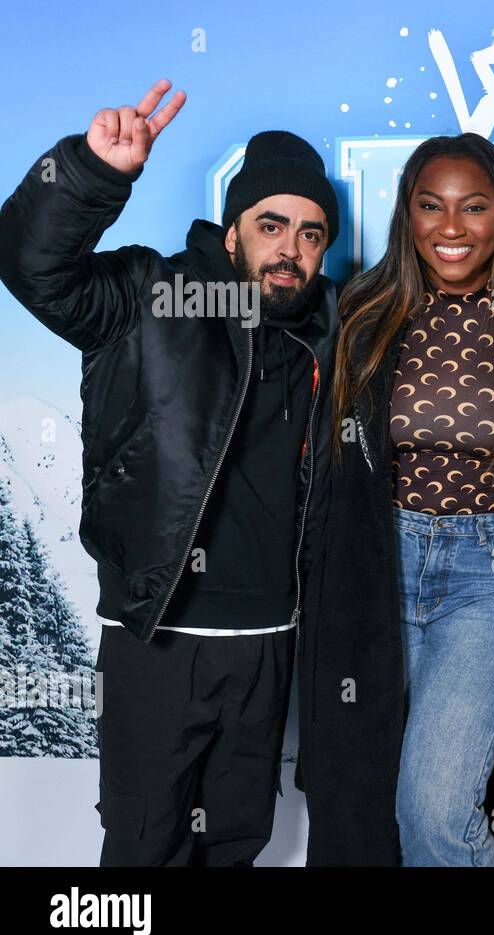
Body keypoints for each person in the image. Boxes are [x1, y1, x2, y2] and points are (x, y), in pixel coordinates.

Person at [0, 80, 341, 865]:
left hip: (268, 642)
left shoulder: (328, 333)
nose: (290, 248)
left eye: (312, 233)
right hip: (157, 639)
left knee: (234, 842)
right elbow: (33, 267)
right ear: (232, 236)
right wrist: (91, 173)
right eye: (271, 225)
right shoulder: (153, 296)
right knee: (144, 847)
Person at [300, 133, 494, 866]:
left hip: (488, 578)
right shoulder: (361, 313)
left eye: (473, 207)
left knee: (435, 809)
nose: (450, 227)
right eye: (431, 205)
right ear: (407, 213)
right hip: (378, 566)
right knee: (365, 804)